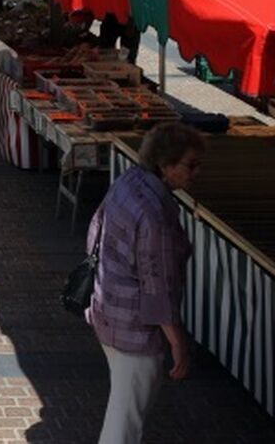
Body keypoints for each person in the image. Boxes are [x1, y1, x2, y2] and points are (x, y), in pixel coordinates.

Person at [87, 122, 203, 444]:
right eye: (190, 165)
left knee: (121, 410)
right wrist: (178, 344)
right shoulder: (155, 216)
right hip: (134, 330)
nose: (196, 172)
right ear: (166, 165)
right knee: (125, 423)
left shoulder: (129, 181)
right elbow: (158, 289)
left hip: (107, 310)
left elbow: (94, 233)